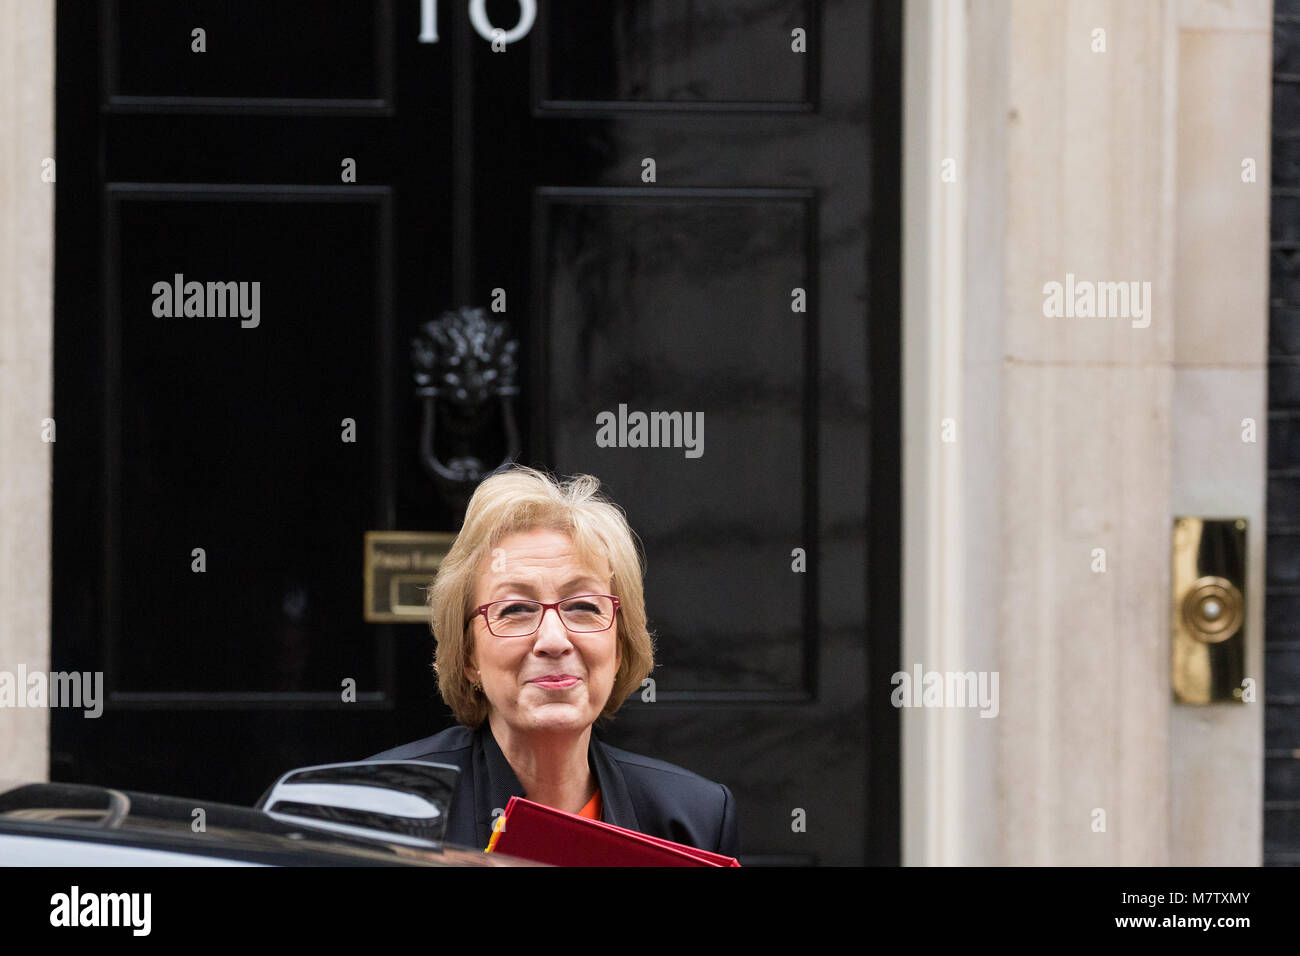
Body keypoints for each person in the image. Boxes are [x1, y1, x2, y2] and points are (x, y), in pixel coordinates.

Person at [367, 465, 739, 857]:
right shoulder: (384, 807)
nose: (553, 640)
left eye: (582, 606)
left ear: (621, 645)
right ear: (468, 656)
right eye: (515, 609)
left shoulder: (694, 817)